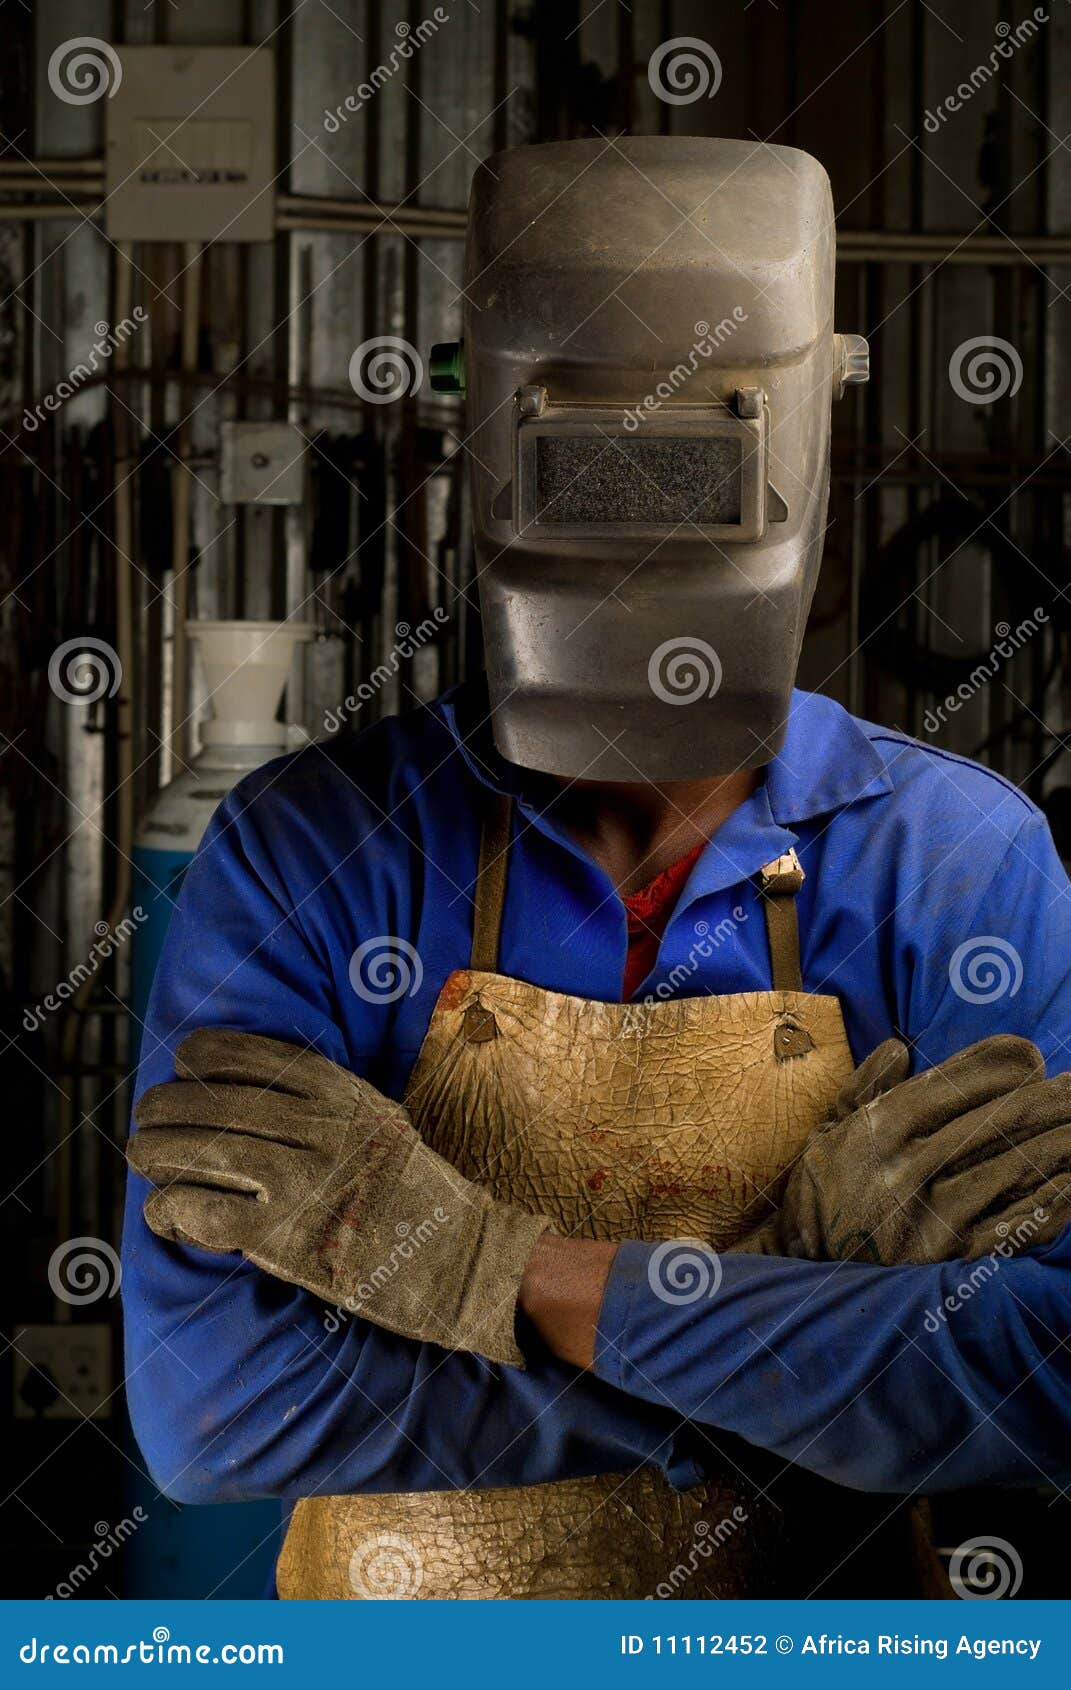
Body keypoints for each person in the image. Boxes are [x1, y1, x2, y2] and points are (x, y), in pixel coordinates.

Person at [123, 138, 1071, 1600]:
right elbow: (214, 1408)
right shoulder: (312, 853)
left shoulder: (957, 860)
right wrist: (794, 1313)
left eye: (693, 469)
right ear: (483, 450)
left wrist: (493, 1273)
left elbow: (1034, 1386)